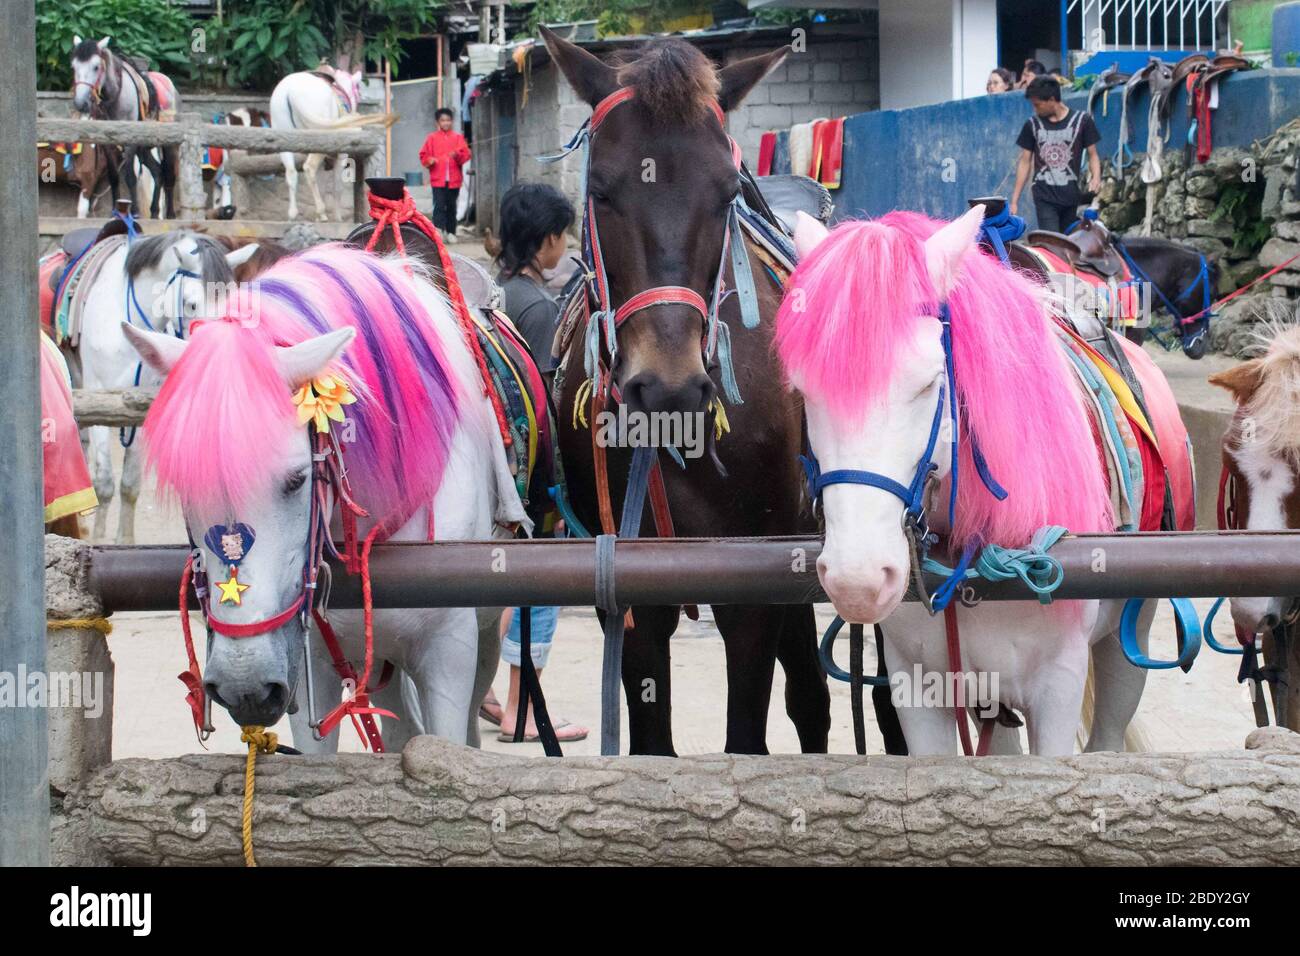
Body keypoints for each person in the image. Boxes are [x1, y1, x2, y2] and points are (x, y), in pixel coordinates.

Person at [477, 182, 587, 743]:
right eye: (562, 236)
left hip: (498, 473)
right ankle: (524, 708)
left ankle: (486, 690)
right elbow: (543, 403)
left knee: (500, 586)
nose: (564, 247)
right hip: (536, 478)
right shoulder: (540, 309)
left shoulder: (493, 295)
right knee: (540, 584)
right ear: (546, 242)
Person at [1011, 76, 1102, 235]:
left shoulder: (1082, 121)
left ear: (1052, 100)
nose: (1035, 109)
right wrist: (1014, 200)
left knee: (1070, 243)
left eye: (1037, 105)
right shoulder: (1032, 125)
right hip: (1044, 196)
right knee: (1053, 241)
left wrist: (1096, 178)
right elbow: (1025, 162)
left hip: (1071, 196)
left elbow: (1093, 155)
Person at [418, 107, 471, 244]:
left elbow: (466, 155)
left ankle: (451, 232)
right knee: (439, 206)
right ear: (438, 122)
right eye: (443, 120)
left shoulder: (458, 138)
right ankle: (439, 232)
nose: (446, 123)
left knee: (452, 206)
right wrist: (430, 161)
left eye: (448, 120)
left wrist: (457, 155)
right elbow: (424, 155)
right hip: (438, 180)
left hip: (454, 180)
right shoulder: (432, 138)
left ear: (452, 121)